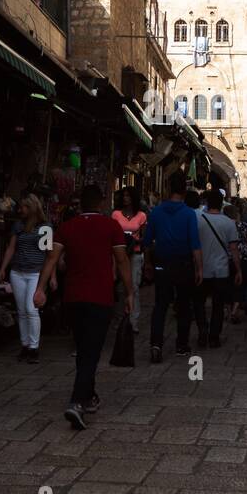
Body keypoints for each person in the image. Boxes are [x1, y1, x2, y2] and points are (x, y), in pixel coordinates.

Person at [33, 185, 132, 430]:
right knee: (92, 351)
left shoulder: (67, 227)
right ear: (102, 202)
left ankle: (89, 396)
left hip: (73, 297)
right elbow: (121, 260)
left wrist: (40, 288)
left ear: (81, 204)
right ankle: (76, 402)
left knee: (83, 348)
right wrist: (130, 292)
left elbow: (52, 259)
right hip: (100, 297)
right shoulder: (111, 226)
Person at [142, 171, 203, 363]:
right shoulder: (188, 214)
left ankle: (156, 344)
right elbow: (195, 245)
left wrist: (148, 263)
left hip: (162, 264)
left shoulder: (157, 212)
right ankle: (181, 344)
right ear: (184, 191)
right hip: (184, 265)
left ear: (168, 189)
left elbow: (147, 242)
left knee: (160, 306)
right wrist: (199, 268)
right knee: (183, 306)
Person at [0, 193, 52, 364]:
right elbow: (11, 248)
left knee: (31, 309)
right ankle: (25, 345)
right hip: (18, 271)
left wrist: (52, 276)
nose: (20, 210)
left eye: (23, 207)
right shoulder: (18, 226)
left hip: (36, 272)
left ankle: (34, 347)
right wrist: (3, 268)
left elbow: (50, 254)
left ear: (32, 208)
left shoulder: (45, 227)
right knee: (22, 311)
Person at [194, 189, 242, 349]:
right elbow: (234, 249)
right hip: (221, 270)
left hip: (202, 269)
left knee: (199, 303)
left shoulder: (198, 221)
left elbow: (194, 247)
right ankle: (214, 337)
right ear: (222, 203)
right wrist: (238, 270)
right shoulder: (229, 223)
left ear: (207, 203)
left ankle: (202, 330)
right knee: (218, 305)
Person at [111, 187, 148, 333]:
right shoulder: (115, 215)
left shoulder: (141, 216)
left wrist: (135, 241)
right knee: (119, 288)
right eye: (124, 196)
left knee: (134, 287)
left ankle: (133, 320)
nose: (126, 198)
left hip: (135, 255)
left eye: (128, 196)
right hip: (118, 255)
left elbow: (145, 238)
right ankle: (120, 318)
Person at [228, 200, 247, 324]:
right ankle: (234, 311)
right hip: (243, 259)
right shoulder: (246, 227)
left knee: (230, 285)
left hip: (229, 258)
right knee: (241, 286)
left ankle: (229, 311)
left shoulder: (227, 226)